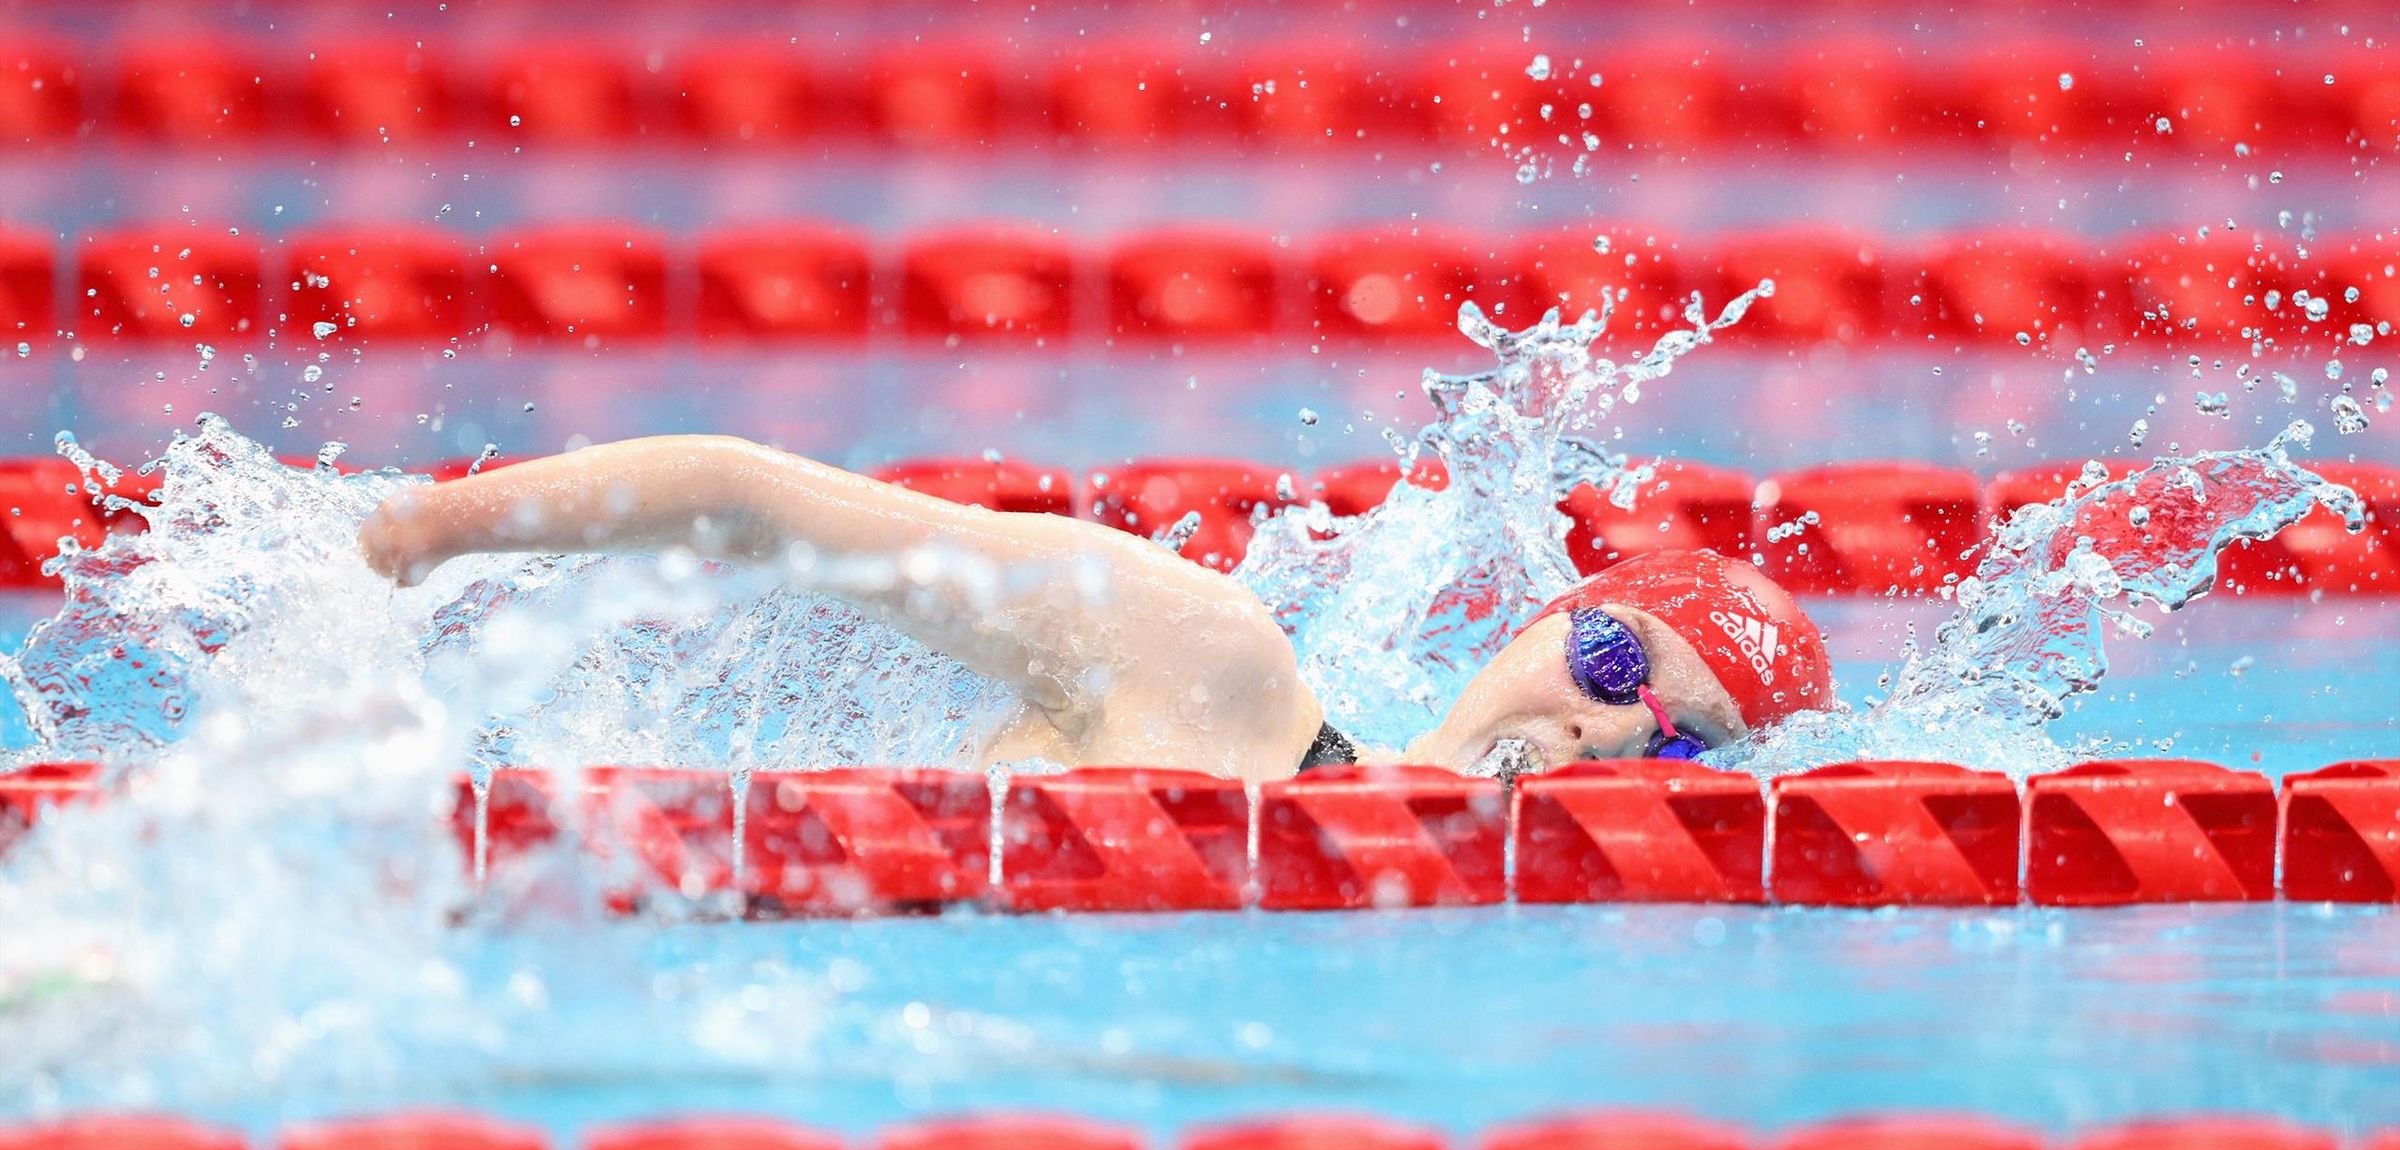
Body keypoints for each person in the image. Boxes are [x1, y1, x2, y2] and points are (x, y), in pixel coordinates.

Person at [357, 435, 1833, 780]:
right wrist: (420, 537)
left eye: (1681, 742)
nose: (1601, 728)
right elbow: (743, 492)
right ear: (1536, 624)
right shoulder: (1210, 671)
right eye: (1610, 658)